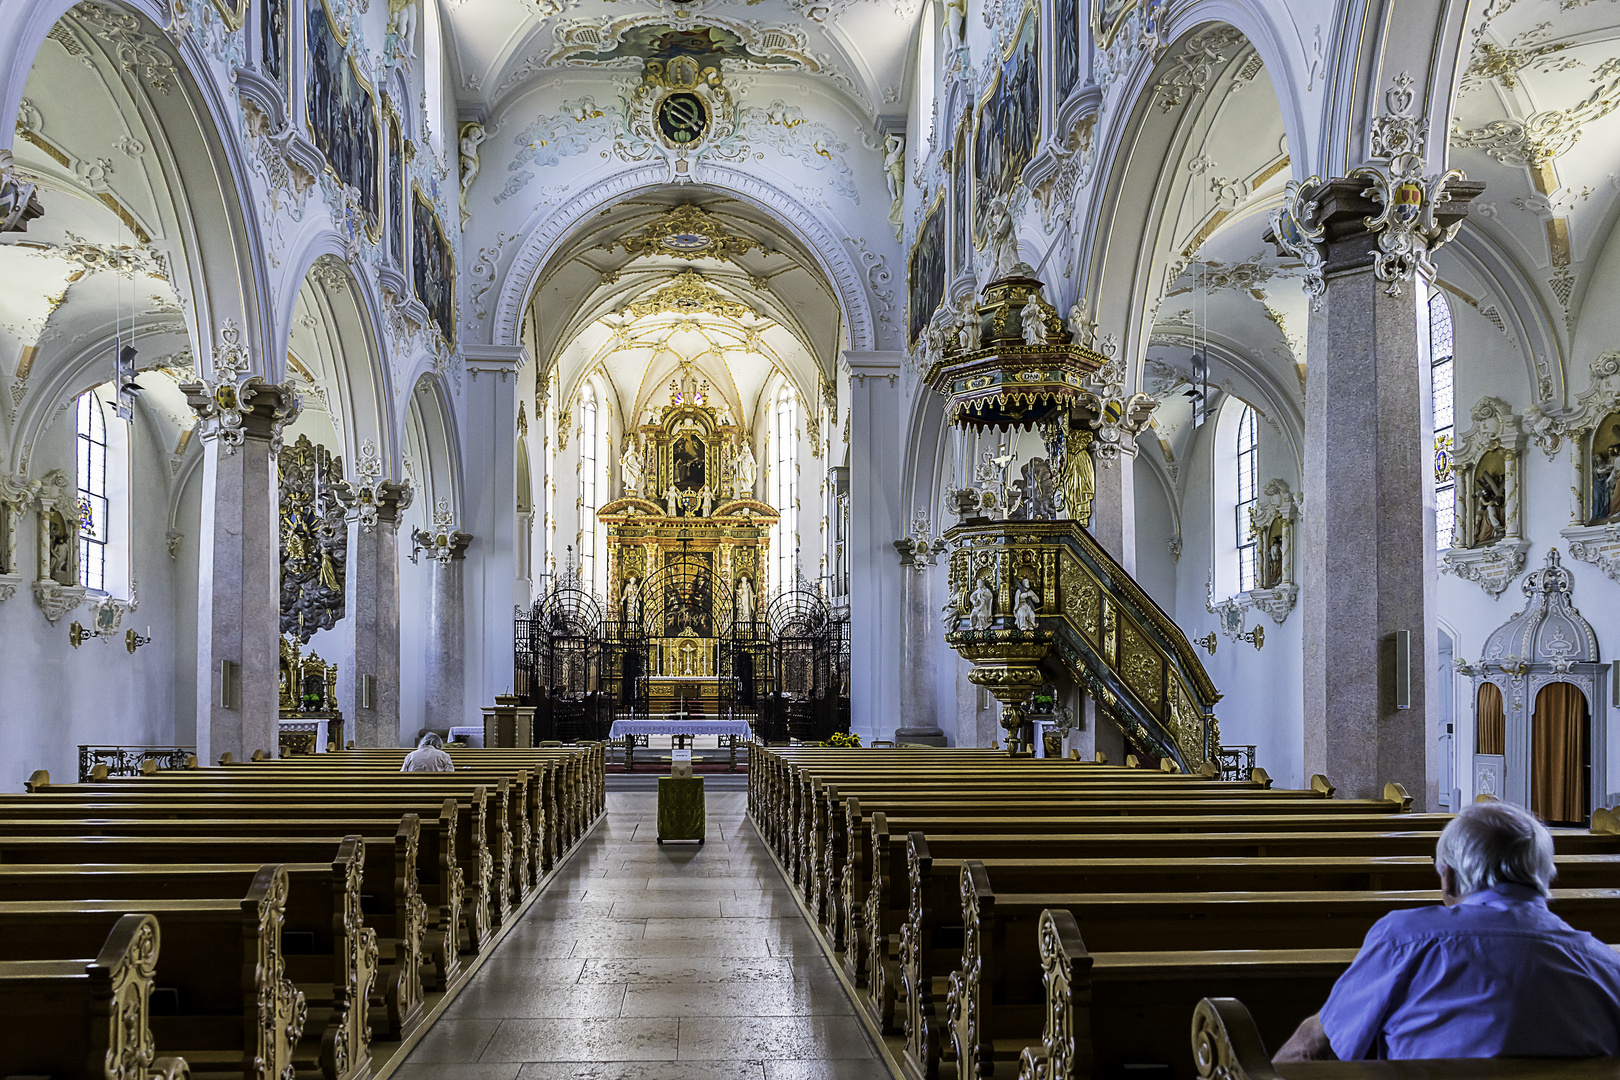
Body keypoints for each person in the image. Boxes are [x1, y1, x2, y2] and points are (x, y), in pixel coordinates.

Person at [1274, 800, 1620, 1062]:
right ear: (1543, 875)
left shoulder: (1404, 939)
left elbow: (1314, 1046)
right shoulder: (1606, 965)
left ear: (1449, 877)